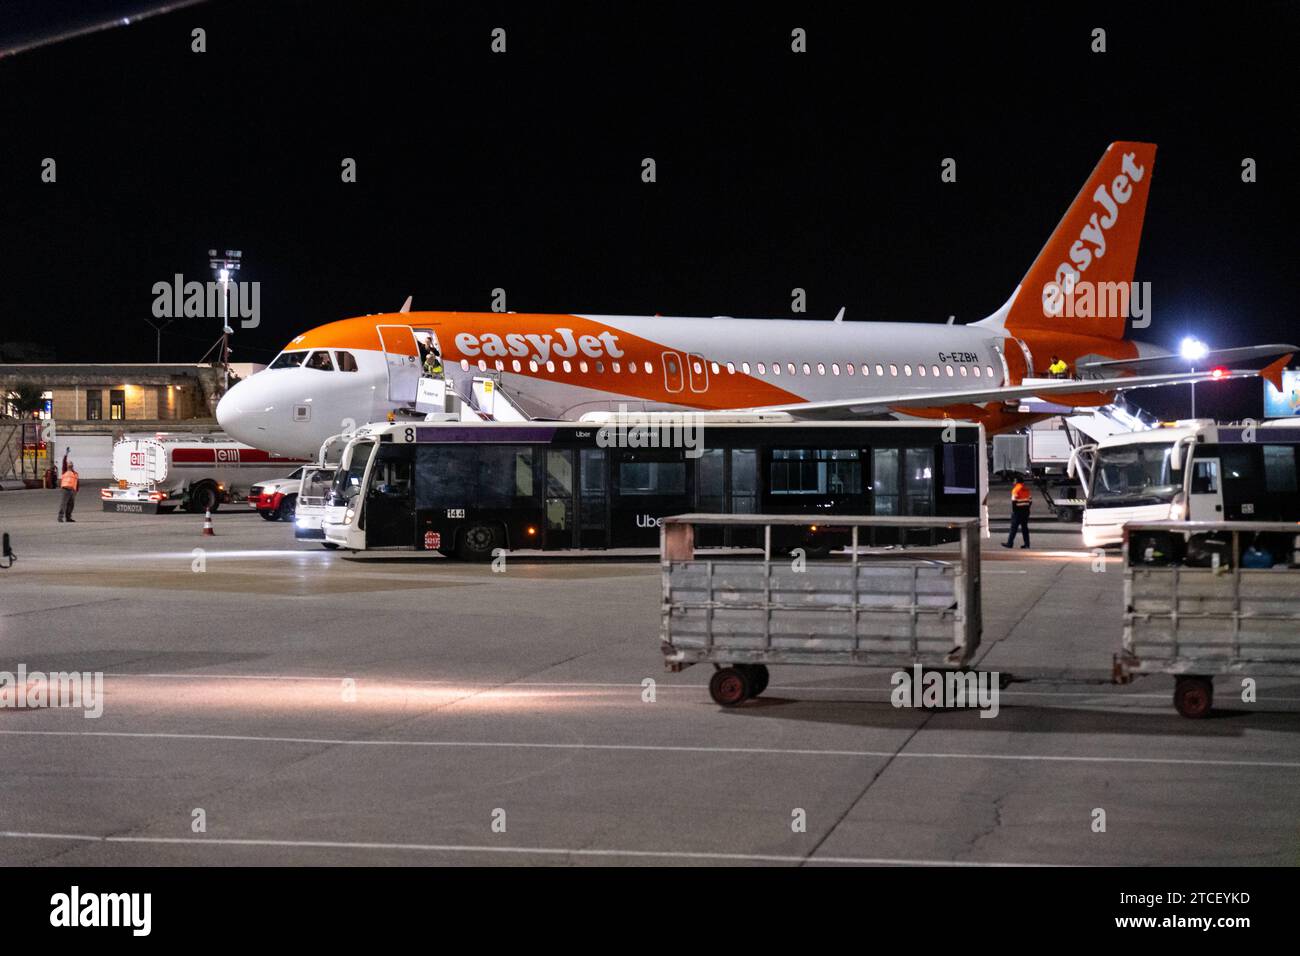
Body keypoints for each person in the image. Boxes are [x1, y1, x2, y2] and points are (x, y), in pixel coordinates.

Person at [1001, 475, 1032, 549]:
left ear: (1017, 481)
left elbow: (1014, 502)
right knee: (1025, 528)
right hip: (1026, 511)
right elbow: (1030, 501)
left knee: (1013, 528)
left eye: (1014, 480)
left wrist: (1014, 512)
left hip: (1018, 512)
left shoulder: (1015, 490)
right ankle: (1027, 544)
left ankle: (1009, 543)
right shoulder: (1026, 489)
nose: (1013, 482)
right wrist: (1027, 508)